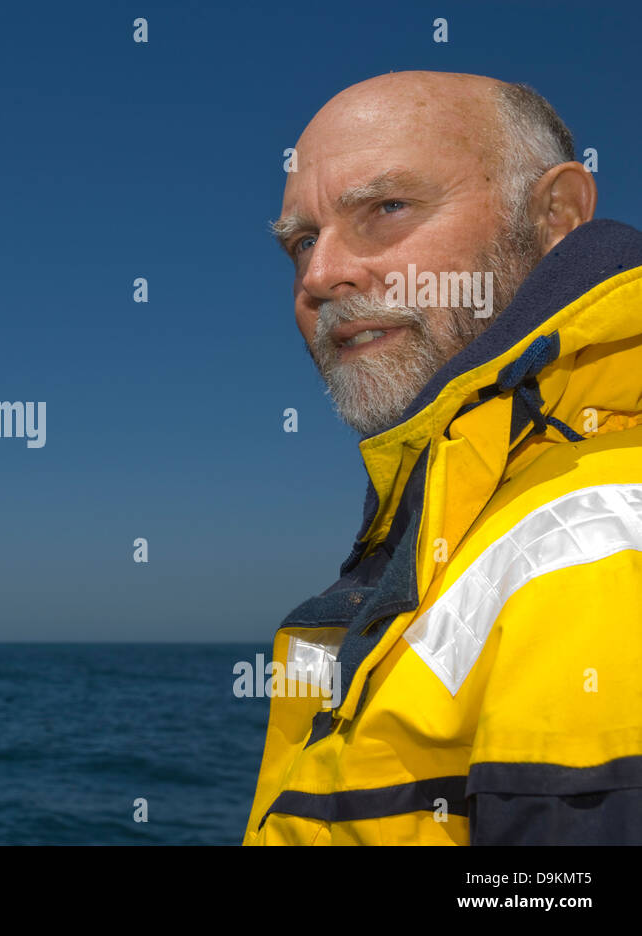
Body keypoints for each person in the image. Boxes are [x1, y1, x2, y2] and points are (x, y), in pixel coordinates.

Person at [244, 70, 642, 845]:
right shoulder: (454, 531)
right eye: (301, 242)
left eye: (387, 209)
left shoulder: (602, 544)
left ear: (556, 216)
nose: (321, 277)